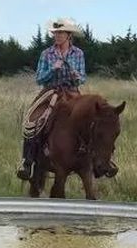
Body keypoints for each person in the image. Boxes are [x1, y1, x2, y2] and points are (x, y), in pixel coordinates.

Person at [16, 17, 86, 181]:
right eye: (55, 33)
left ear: (69, 35)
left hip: (72, 91)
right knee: (33, 120)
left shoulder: (78, 53)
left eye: (61, 33)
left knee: (91, 117)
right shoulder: (46, 54)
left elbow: (82, 78)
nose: (57, 36)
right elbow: (39, 78)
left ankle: (97, 159)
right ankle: (27, 161)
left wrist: (76, 76)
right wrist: (52, 70)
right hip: (51, 91)